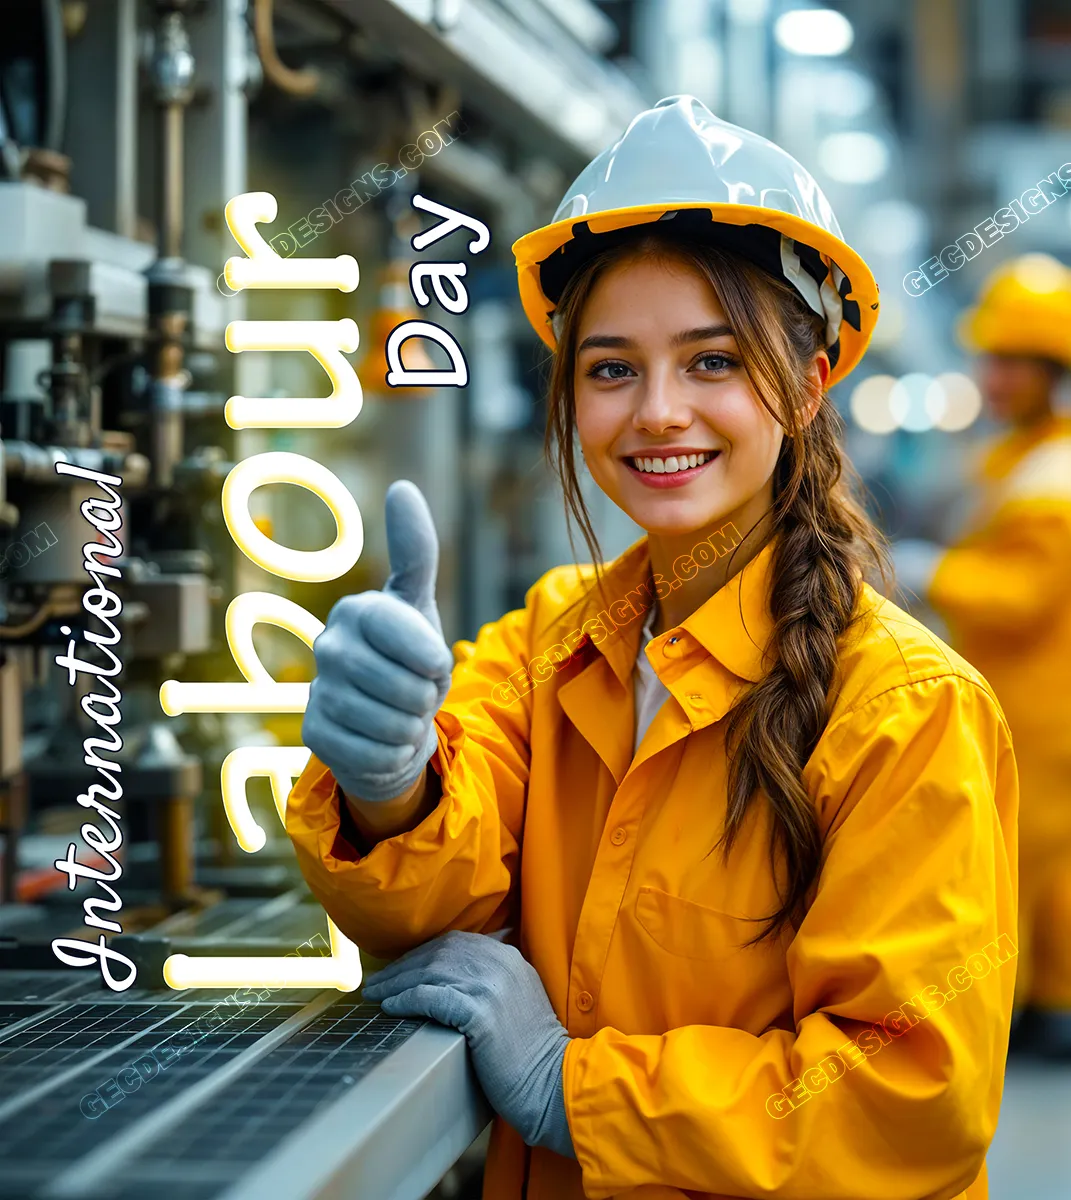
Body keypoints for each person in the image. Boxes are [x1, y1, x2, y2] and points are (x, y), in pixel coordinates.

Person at [287, 95, 1018, 1199]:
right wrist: (389, 785)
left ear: (812, 382)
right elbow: (432, 908)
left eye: (713, 362)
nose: (658, 413)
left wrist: (570, 1086)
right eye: (612, 368)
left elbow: (903, 1098)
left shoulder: (903, 710)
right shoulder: (553, 638)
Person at [893, 253, 1071, 1063]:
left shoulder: (1060, 472)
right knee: (1046, 856)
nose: (991, 376)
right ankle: (1055, 1005)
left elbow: (1024, 595)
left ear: (1050, 370)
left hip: (1051, 698)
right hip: (1035, 688)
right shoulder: (1028, 451)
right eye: (989, 358)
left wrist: (931, 571)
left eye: (1009, 362)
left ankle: (1045, 1012)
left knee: (1032, 857)